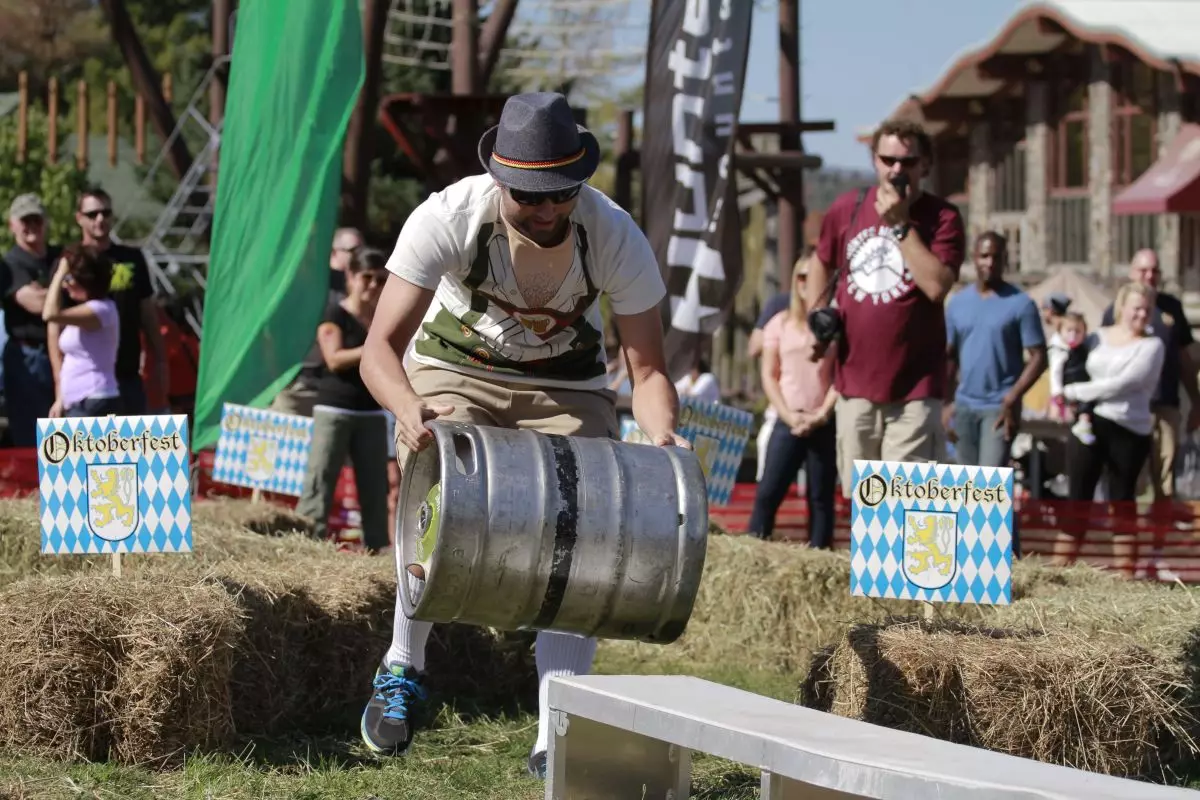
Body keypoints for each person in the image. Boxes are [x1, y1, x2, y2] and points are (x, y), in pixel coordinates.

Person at [357, 92, 688, 780]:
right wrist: (409, 408)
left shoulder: (614, 234)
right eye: (528, 197)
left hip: (566, 388)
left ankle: (554, 723)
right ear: (499, 180)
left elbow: (648, 368)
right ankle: (403, 667)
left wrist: (663, 437)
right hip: (454, 370)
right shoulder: (448, 217)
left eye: (560, 194)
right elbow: (378, 352)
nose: (545, 210)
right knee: (442, 484)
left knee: (588, 524)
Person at [806, 118, 966, 494]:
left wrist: (899, 226)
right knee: (861, 499)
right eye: (888, 159)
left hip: (915, 389)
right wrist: (817, 316)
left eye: (908, 162)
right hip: (854, 384)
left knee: (901, 498)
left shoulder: (943, 217)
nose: (897, 170)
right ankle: (863, 557)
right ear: (874, 160)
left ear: (925, 164)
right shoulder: (847, 208)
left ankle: (896, 557)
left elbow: (936, 285)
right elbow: (821, 261)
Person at [1056, 283, 1165, 574]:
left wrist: (1075, 392)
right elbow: (1069, 359)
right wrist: (1062, 387)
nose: (1142, 314)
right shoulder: (1096, 337)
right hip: (1089, 425)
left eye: (1147, 309)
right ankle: (1057, 573)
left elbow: (1125, 383)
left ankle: (1126, 578)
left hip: (1129, 430)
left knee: (1122, 500)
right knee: (1078, 497)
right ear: (1122, 307)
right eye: (1136, 307)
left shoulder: (1153, 345)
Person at [295, 247, 391, 553]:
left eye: (380, 279)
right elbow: (334, 359)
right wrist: (377, 347)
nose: (373, 286)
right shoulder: (335, 313)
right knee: (319, 484)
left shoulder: (383, 319)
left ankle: (377, 550)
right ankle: (307, 547)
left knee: (376, 491)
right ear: (350, 277)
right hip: (333, 409)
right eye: (367, 277)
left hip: (372, 412)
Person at [746, 255, 837, 546]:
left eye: (813, 277)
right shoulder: (779, 323)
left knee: (821, 499)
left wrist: (822, 414)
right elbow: (769, 375)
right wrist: (788, 415)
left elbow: (841, 375)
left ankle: (820, 556)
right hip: (788, 420)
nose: (806, 283)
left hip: (822, 420)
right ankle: (754, 551)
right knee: (768, 493)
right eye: (801, 276)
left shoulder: (834, 324)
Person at [1100, 249, 1200, 505]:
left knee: (1164, 478)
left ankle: (1159, 541)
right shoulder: (1115, 311)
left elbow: (1185, 360)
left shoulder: (1172, 308)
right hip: (1127, 408)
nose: (1149, 276)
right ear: (1132, 272)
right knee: (1127, 477)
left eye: (1154, 270)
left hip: (1165, 405)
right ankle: (1125, 536)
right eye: (1143, 270)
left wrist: (1196, 403)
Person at [944, 231, 1047, 467]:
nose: (990, 262)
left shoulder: (1021, 303)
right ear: (974, 257)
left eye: (996, 257)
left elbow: (1039, 357)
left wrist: (1013, 396)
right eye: (984, 256)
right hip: (964, 406)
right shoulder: (957, 303)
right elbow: (950, 358)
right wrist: (945, 404)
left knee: (989, 489)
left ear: (1005, 261)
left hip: (999, 408)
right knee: (965, 488)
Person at [64, 188, 167, 415]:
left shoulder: (132, 258)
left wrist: (160, 358)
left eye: (106, 213)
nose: (100, 219)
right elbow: (55, 322)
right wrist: (58, 384)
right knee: (88, 451)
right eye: (92, 214)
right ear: (79, 218)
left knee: (135, 448)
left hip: (127, 373)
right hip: (87, 381)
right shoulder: (71, 261)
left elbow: (147, 312)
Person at [273, 227, 365, 417]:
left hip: (343, 389)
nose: (360, 256)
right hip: (302, 383)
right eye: (354, 251)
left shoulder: (361, 286)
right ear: (334, 252)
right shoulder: (311, 283)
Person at [1, 194, 59, 444]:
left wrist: (47, 293)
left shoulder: (60, 255)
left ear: (46, 222)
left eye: (36, 219)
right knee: (32, 441)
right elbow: (38, 305)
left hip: (67, 357)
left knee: (67, 439)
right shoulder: (9, 265)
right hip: (28, 360)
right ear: (12, 225)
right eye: (25, 220)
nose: (31, 226)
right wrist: (63, 288)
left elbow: (87, 294)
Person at [41, 245, 121, 417]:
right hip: (77, 401)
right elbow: (72, 361)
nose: (65, 283)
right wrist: (61, 398)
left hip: (94, 399)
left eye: (70, 278)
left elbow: (50, 313)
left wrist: (60, 272)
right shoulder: (84, 312)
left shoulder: (101, 310)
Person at [1048, 311, 1094, 443]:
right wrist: (1057, 392)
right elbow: (1055, 373)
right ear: (1060, 331)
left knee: (1086, 407)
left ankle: (1084, 425)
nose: (1073, 335)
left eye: (1078, 331)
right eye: (1069, 330)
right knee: (1063, 417)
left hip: (1082, 388)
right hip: (1065, 391)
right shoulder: (1059, 350)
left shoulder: (1084, 349)